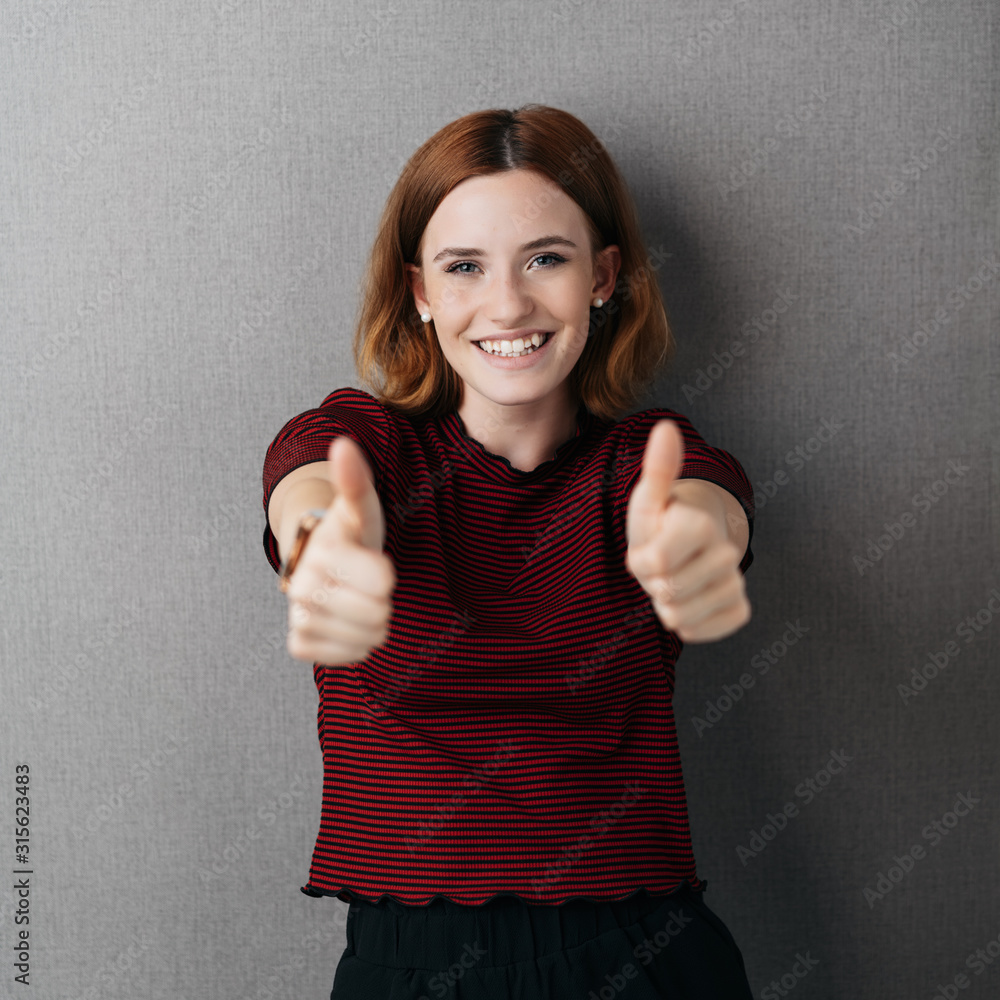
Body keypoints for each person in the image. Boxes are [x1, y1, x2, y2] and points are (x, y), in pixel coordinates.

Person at [260, 104, 756, 999]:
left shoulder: (649, 458)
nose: (509, 305)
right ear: (418, 291)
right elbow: (311, 485)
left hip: (643, 957)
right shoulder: (362, 439)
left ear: (603, 276)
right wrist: (322, 540)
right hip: (405, 965)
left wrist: (694, 540)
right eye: (464, 268)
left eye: (546, 260)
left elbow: (705, 505)